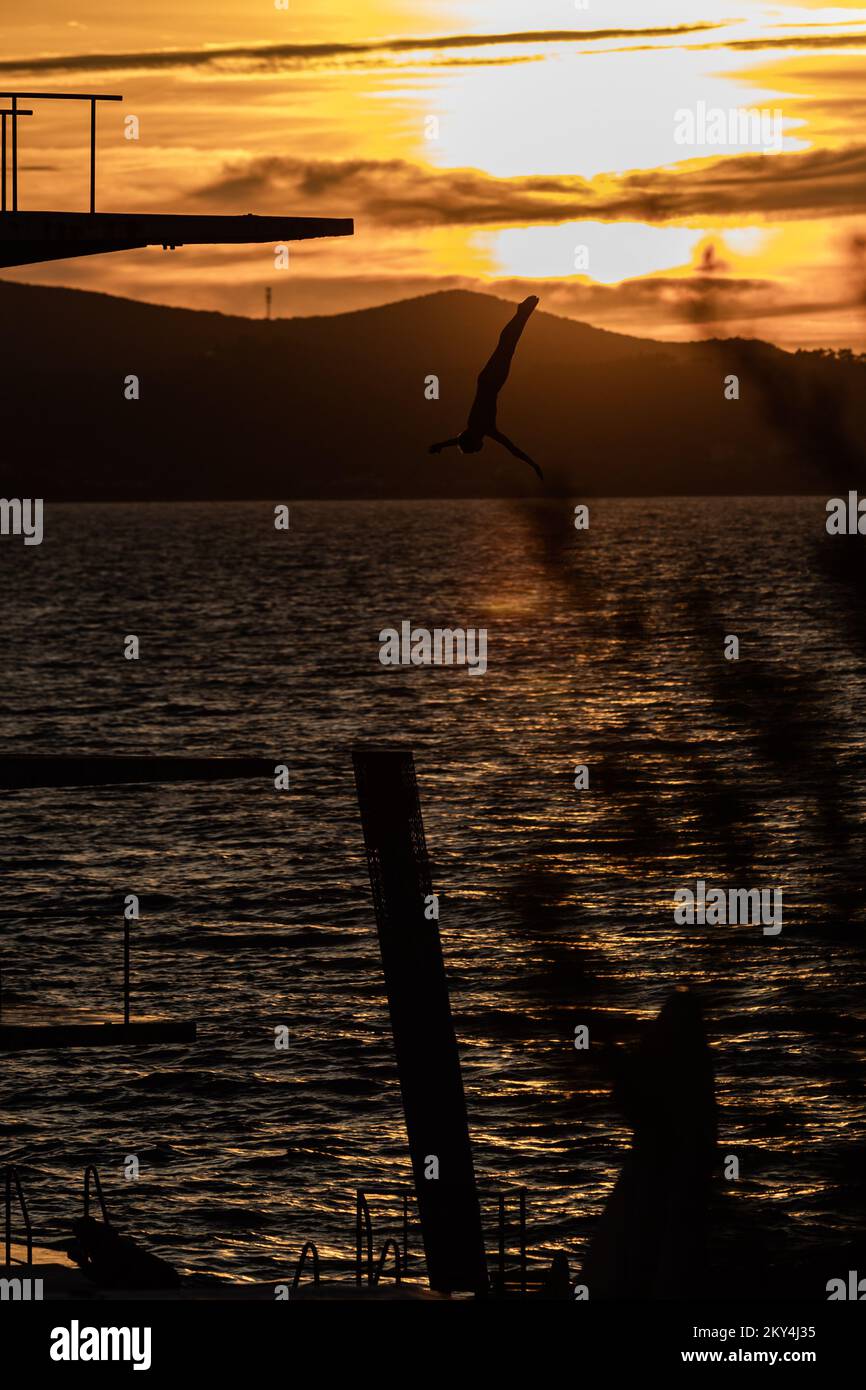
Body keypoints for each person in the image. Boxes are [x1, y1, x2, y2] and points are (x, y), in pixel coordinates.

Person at [429, 296, 543, 479]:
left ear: (474, 442)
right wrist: (440, 445)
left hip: (493, 381)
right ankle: (522, 314)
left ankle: (523, 313)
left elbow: (512, 449)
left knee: (507, 347)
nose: (478, 450)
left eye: (474, 449)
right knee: (505, 346)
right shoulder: (476, 427)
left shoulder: (485, 428)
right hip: (487, 381)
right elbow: (459, 440)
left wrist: (533, 465)